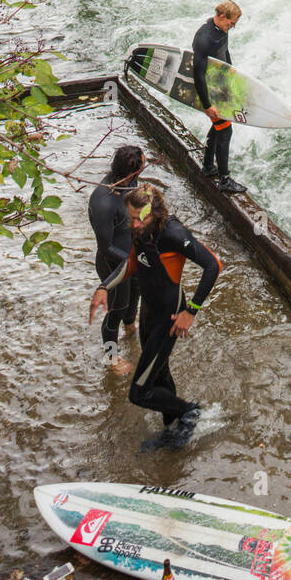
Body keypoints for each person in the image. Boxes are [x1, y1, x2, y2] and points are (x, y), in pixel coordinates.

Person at [89, 185, 221, 440]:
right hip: (148, 311)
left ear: (156, 213)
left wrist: (190, 312)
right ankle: (174, 429)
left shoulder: (173, 233)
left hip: (168, 318)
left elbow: (213, 265)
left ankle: (190, 413)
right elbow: (130, 264)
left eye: (141, 218)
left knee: (139, 393)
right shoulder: (139, 230)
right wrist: (104, 287)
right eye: (132, 217)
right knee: (159, 372)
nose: (135, 224)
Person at [87, 143, 145, 374]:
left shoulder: (130, 183)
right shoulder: (103, 201)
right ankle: (112, 359)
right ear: (133, 170)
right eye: (143, 162)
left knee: (135, 295)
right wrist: (132, 261)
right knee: (115, 313)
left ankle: (130, 327)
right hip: (115, 263)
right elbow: (106, 247)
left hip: (132, 255)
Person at [193, 0, 247, 195]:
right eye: (231, 23)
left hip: (221, 87)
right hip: (210, 92)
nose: (232, 27)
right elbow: (197, 74)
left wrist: (231, 71)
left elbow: (224, 52)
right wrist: (207, 105)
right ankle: (224, 180)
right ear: (222, 16)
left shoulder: (221, 32)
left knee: (218, 128)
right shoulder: (205, 38)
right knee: (225, 131)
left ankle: (208, 166)